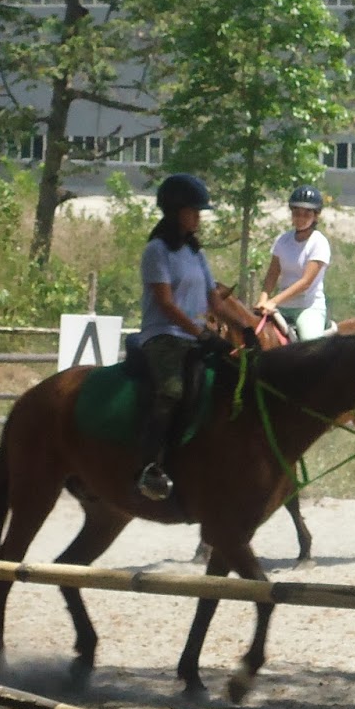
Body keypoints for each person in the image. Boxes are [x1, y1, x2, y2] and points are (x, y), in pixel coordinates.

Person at [131, 173, 230, 503]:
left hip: (196, 337)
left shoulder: (195, 252)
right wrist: (201, 333)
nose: (199, 217)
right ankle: (150, 465)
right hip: (164, 336)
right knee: (172, 390)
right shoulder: (156, 251)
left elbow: (214, 299)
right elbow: (165, 303)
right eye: (194, 211)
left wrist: (240, 331)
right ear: (175, 211)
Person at [255, 185, 332, 341]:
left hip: (308, 307)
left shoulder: (319, 243)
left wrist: (273, 301)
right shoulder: (282, 240)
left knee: (310, 348)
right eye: (296, 213)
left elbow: (305, 283)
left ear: (316, 216)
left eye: (306, 214)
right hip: (282, 307)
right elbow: (272, 275)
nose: (300, 218)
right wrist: (263, 300)